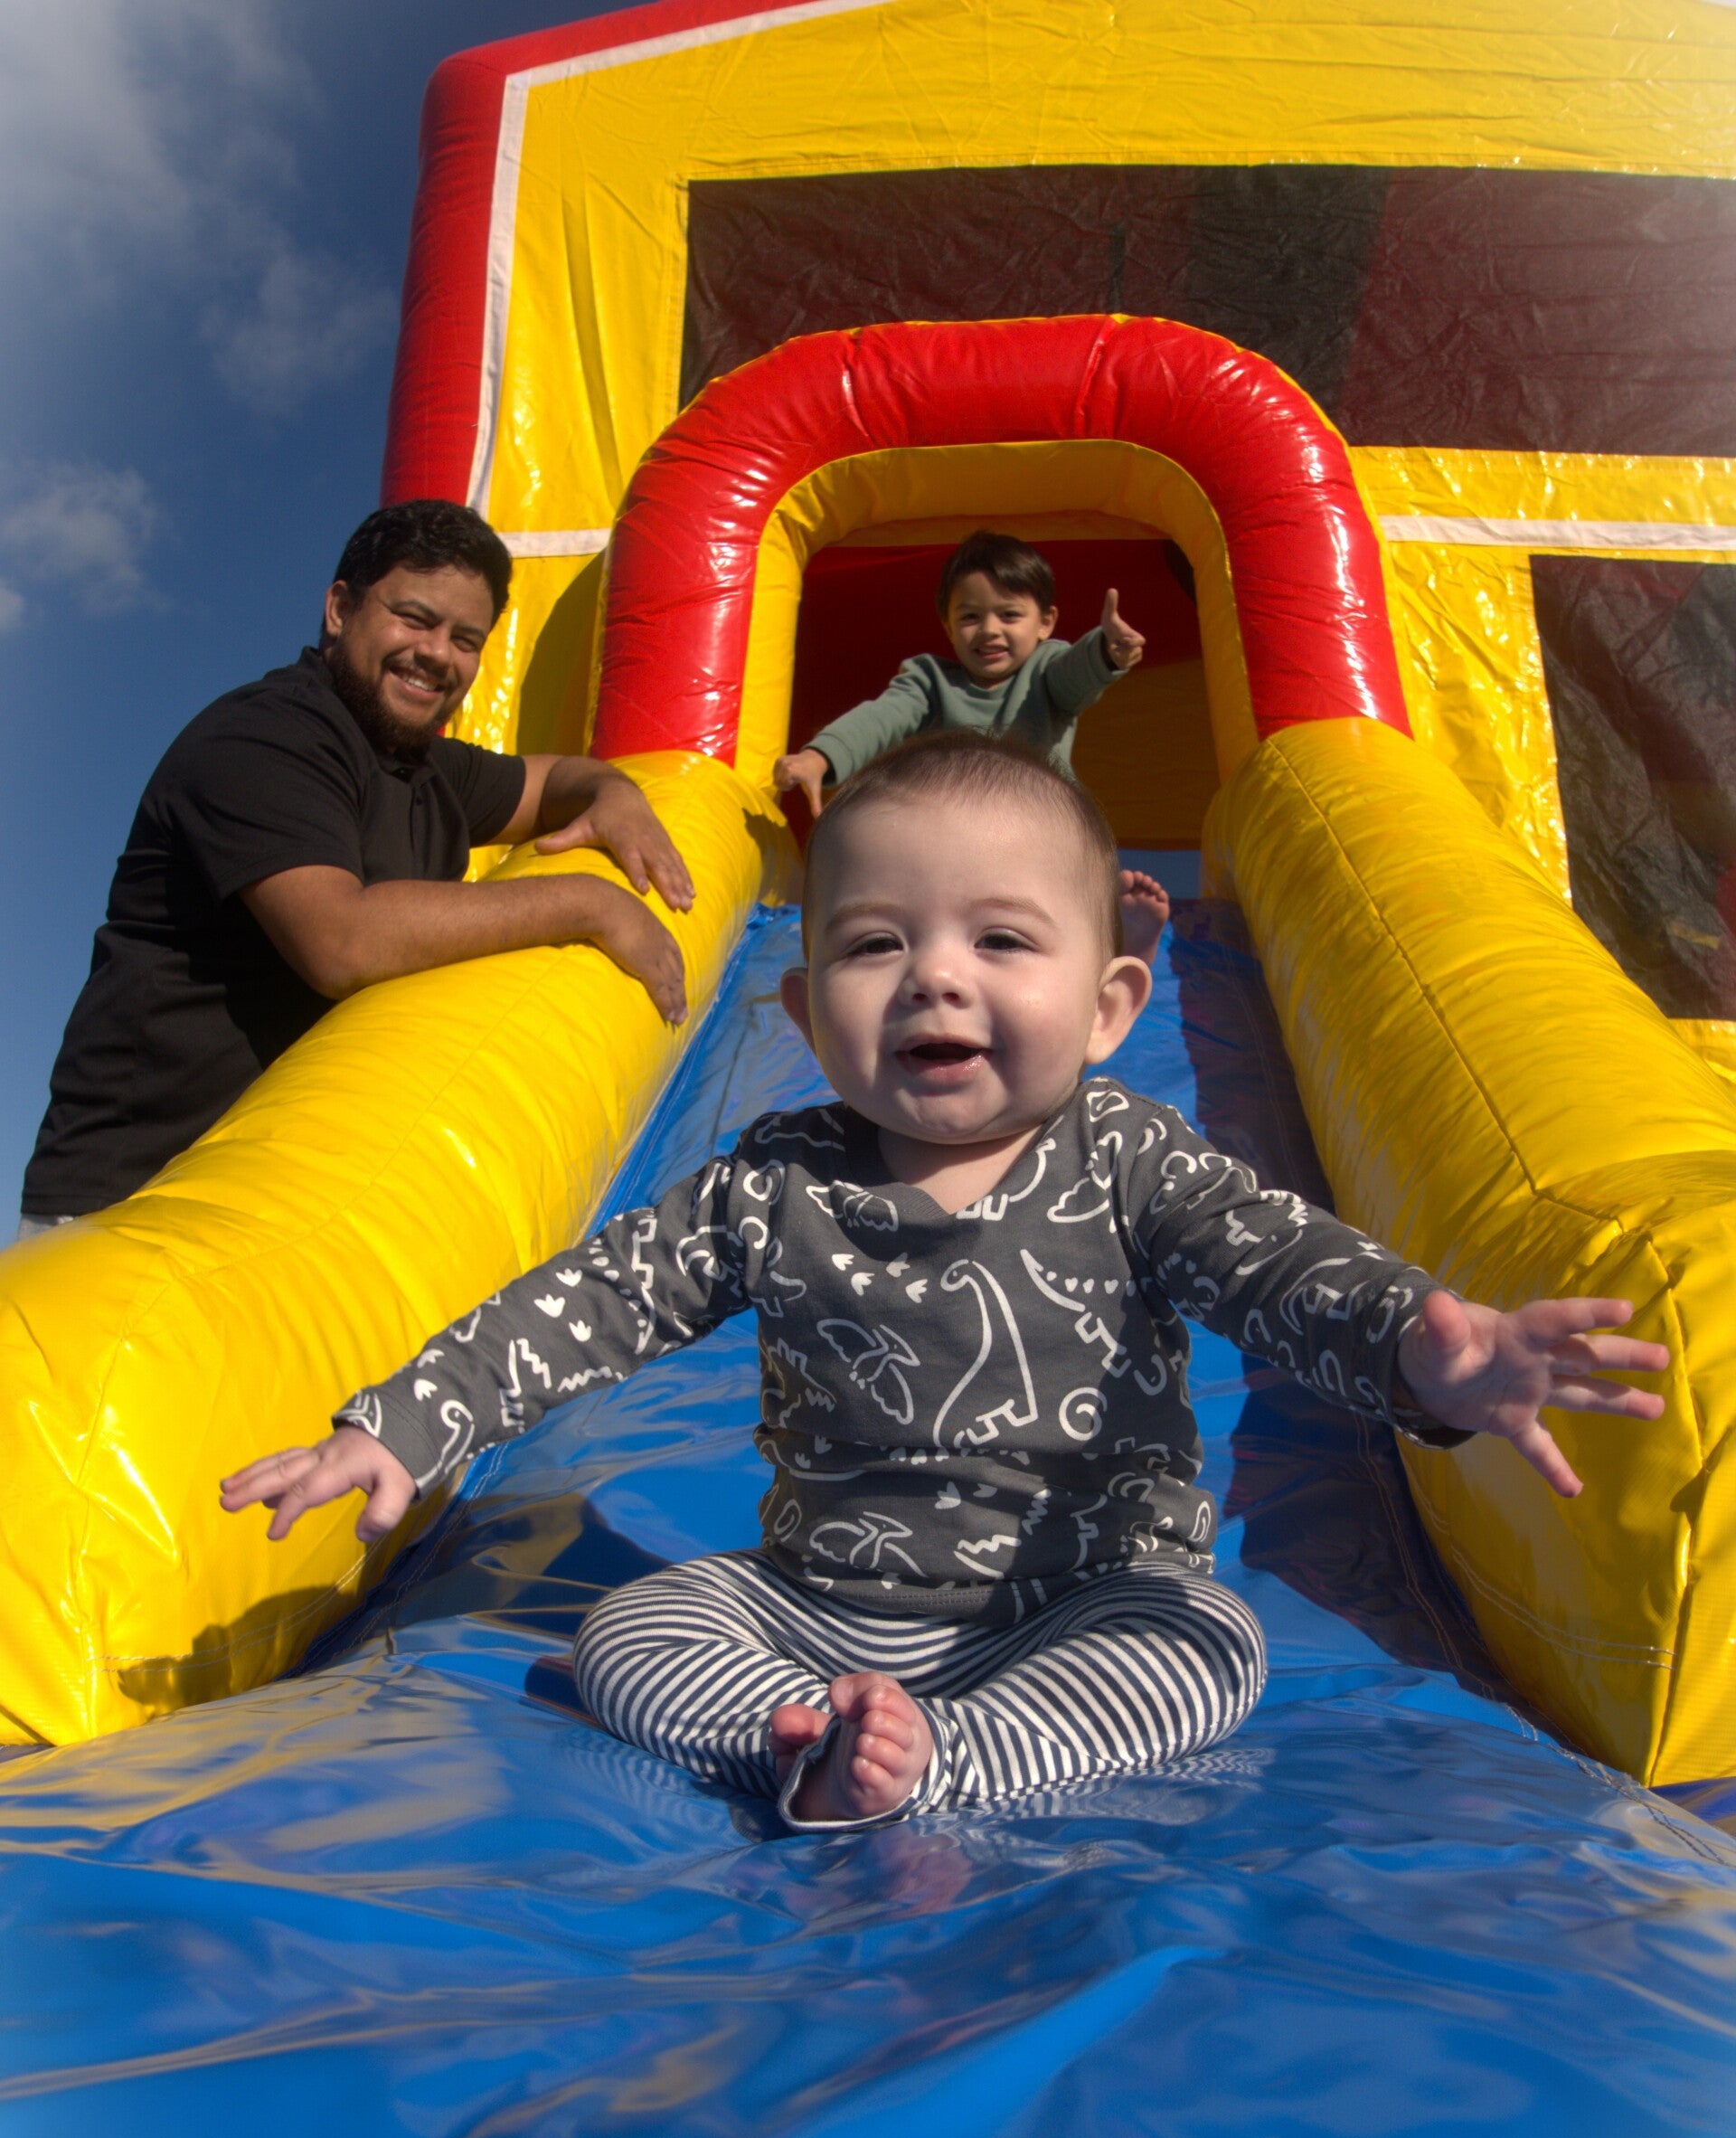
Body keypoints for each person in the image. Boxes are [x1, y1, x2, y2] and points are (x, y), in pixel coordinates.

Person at [222, 734, 1668, 1831]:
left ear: (1109, 1009)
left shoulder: (1131, 1161)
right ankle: (805, 1733)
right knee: (628, 1633)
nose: (934, 978)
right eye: (872, 943)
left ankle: (937, 1765)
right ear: (802, 1011)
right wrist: (407, 1421)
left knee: (1204, 1649)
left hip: (1078, 1595)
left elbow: (1279, 1260)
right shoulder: (773, 1181)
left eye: (1000, 938)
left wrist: (1425, 1353)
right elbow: (599, 1293)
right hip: (816, 1599)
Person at [18, 499, 693, 1234]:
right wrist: (587, 903)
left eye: (466, 638)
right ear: (341, 608)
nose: (438, 654)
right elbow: (340, 941)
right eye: (414, 617)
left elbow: (555, 777)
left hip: (289, 1200)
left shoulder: (424, 766)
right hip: (124, 1207)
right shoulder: (264, 737)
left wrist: (614, 791)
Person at [774, 527, 1172, 960]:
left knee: (1072, 889)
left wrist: (1107, 653)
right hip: (953, 839)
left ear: (1045, 623)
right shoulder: (929, 682)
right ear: (947, 625)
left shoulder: (1046, 672)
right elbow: (882, 717)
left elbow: (1075, 673)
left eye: (1009, 615)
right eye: (970, 617)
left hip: (1041, 834)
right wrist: (821, 756)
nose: (989, 630)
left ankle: (1119, 946)